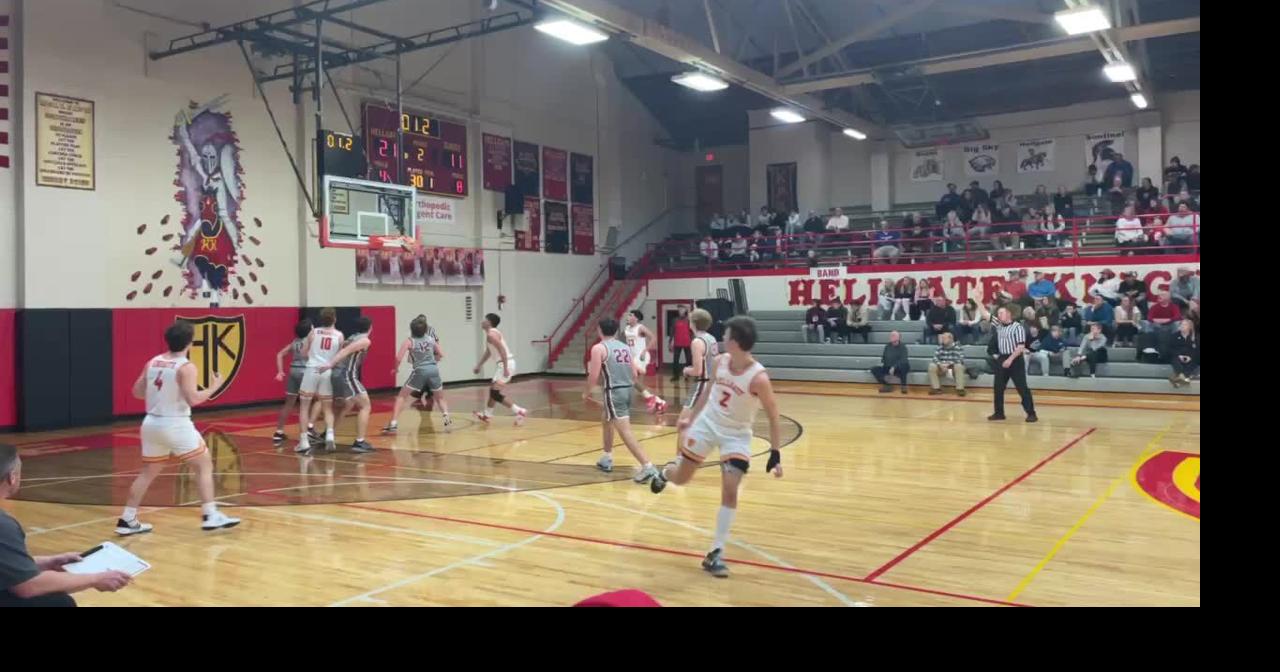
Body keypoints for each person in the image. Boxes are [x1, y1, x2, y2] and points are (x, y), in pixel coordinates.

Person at [649, 317, 784, 579]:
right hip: (707, 425)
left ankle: (715, 552)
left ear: (735, 342)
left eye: (726, 335)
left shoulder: (758, 378)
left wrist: (775, 452)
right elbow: (708, 392)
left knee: (730, 489)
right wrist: (691, 418)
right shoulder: (720, 361)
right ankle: (664, 473)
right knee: (681, 478)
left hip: (736, 436)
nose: (723, 338)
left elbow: (773, 413)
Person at [117, 321, 241, 535]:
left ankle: (127, 519)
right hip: (175, 423)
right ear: (190, 343)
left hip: (151, 423)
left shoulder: (153, 361)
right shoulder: (186, 367)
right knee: (204, 465)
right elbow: (193, 399)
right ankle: (210, 514)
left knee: (148, 472)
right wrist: (215, 386)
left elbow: (137, 392)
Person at [1, 445, 133, 607]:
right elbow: (28, 586)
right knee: (58, 602)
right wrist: (95, 578)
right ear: (12, 477)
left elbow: (7, 565)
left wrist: (47, 562)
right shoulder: (4, 525)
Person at [584, 318, 658, 483]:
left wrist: (586, 392)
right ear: (617, 331)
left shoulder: (599, 348)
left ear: (599, 330)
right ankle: (606, 457)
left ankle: (648, 467)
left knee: (625, 431)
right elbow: (634, 374)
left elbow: (593, 376)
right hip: (627, 390)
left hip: (614, 392)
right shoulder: (624, 347)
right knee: (606, 419)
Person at [383, 316, 450, 435]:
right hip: (434, 370)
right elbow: (441, 354)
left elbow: (398, 358)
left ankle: (393, 424)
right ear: (425, 329)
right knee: (440, 398)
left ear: (411, 329)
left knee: (402, 396)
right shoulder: (430, 339)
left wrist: (396, 369)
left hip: (420, 371)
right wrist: (432, 360)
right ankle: (446, 418)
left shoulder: (409, 341)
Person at [319, 316, 375, 452]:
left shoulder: (352, 337)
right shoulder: (364, 340)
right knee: (365, 406)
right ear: (370, 327)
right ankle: (359, 442)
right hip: (348, 375)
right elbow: (345, 352)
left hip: (341, 374)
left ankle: (327, 434)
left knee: (347, 405)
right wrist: (330, 364)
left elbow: (341, 349)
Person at [296, 308, 343, 453]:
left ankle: (304, 442)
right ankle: (330, 435)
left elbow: (303, 353)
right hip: (326, 371)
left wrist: (312, 354)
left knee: (304, 407)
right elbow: (339, 356)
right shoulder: (339, 335)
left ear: (321, 319)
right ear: (335, 319)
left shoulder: (313, 332)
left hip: (312, 369)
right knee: (327, 407)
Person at [473, 313, 529, 425]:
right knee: (493, 390)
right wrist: (479, 365)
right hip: (503, 364)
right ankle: (487, 415)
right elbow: (489, 352)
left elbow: (502, 350)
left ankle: (519, 411)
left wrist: (506, 368)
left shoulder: (491, 335)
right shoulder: (491, 334)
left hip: (505, 364)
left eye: (484, 320)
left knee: (494, 392)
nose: (482, 322)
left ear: (489, 322)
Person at [988, 307, 1037, 422]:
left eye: (1001, 313)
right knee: (998, 387)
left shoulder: (1018, 327)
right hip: (1002, 357)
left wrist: (1010, 360)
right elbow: (986, 315)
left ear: (1008, 314)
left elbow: (1020, 347)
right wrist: (978, 301)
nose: (999, 315)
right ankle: (999, 413)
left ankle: (1031, 413)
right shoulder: (999, 325)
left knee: (1022, 387)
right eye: (998, 313)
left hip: (1015, 359)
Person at [271, 319, 312, 445]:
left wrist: (280, 371)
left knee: (289, 403)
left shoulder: (295, 342)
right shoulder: (310, 342)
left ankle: (279, 432)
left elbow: (279, 354)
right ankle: (308, 431)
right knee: (311, 403)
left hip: (293, 371)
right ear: (309, 331)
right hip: (305, 372)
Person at [623, 310, 667, 415]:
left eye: (630, 315)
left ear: (636, 318)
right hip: (632, 356)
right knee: (632, 380)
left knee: (631, 378)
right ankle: (658, 401)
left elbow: (654, 338)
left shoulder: (640, 327)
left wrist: (645, 350)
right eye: (628, 315)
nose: (628, 317)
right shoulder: (626, 328)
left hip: (641, 356)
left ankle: (650, 398)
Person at [1168, 319, 1198, 387]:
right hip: (1178, 357)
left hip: (1191, 358)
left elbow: (1197, 350)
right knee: (1175, 359)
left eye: (1185, 325)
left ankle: (1179, 379)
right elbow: (1170, 349)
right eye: (1181, 324)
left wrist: (1191, 357)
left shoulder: (1196, 337)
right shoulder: (1174, 336)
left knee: (1194, 361)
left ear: (1190, 327)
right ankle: (1184, 378)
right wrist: (1179, 355)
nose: (1182, 326)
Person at [669, 305, 694, 381]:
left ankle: (687, 376)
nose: (680, 311)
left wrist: (693, 342)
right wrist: (670, 342)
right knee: (675, 360)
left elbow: (693, 331)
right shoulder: (674, 320)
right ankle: (676, 376)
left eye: (682, 309)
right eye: (679, 309)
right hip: (677, 343)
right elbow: (672, 332)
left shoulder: (689, 320)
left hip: (687, 343)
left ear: (685, 310)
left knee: (689, 360)